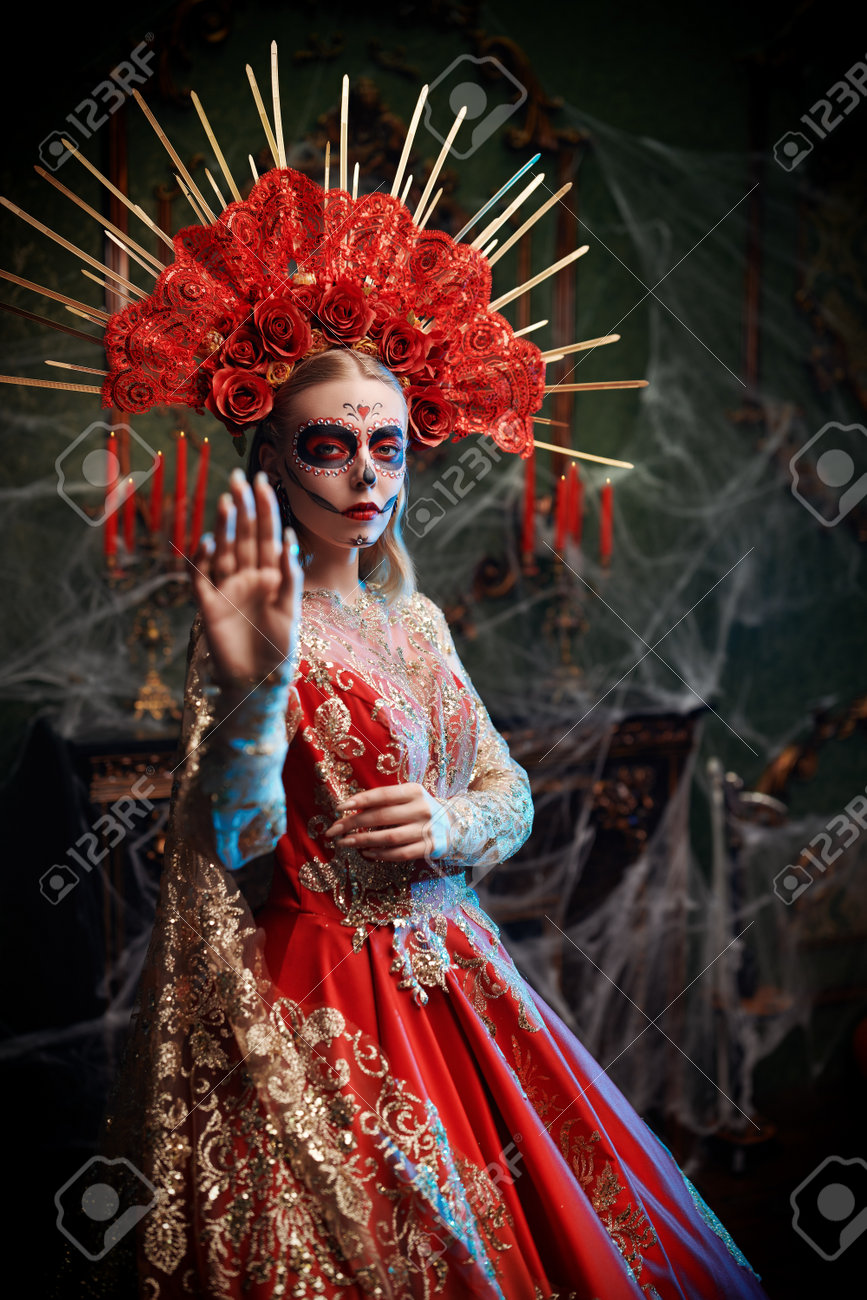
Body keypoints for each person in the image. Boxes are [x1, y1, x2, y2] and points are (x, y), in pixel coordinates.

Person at [106, 342, 768, 1299]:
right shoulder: (251, 633)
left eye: (387, 446)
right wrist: (259, 691)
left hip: (457, 966)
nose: (367, 474)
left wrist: (447, 823)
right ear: (276, 460)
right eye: (330, 445)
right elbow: (235, 840)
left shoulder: (415, 623)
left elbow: (512, 794)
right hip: (326, 981)